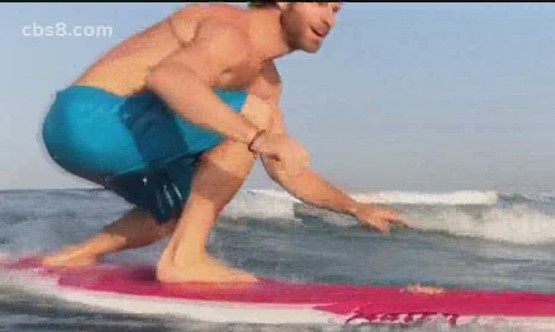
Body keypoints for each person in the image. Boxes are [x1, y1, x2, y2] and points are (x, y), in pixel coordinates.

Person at [38, 2, 410, 284]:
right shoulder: (230, 28)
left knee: (177, 210)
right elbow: (168, 78)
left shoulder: (266, 83)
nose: (329, 19)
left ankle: (77, 255)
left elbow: (285, 166)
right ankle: (185, 260)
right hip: (93, 118)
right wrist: (257, 135)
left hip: (89, 139)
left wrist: (354, 208)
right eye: (319, 2)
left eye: (335, 8)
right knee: (253, 119)